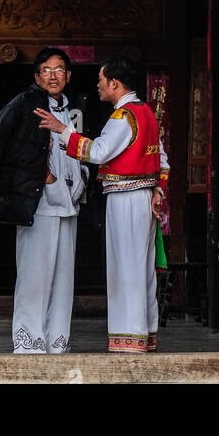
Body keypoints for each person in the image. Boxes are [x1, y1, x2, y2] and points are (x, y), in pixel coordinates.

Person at [36, 57, 169, 354]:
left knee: (126, 267)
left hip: (126, 198)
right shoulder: (146, 112)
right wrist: (158, 189)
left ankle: (129, 338)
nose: (97, 85)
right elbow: (162, 159)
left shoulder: (122, 117)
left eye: (100, 80)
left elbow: (98, 151)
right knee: (142, 268)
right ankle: (144, 335)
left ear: (115, 84)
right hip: (144, 197)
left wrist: (63, 130)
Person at [0, 46, 88, 356]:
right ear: (37, 76)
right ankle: (29, 341)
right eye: (46, 70)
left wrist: (81, 178)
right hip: (38, 203)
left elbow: (80, 149)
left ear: (68, 75)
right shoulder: (24, 104)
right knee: (35, 274)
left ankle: (56, 341)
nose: (53, 75)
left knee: (63, 277)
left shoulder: (73, 107)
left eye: (59, 69)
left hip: (68, 201)